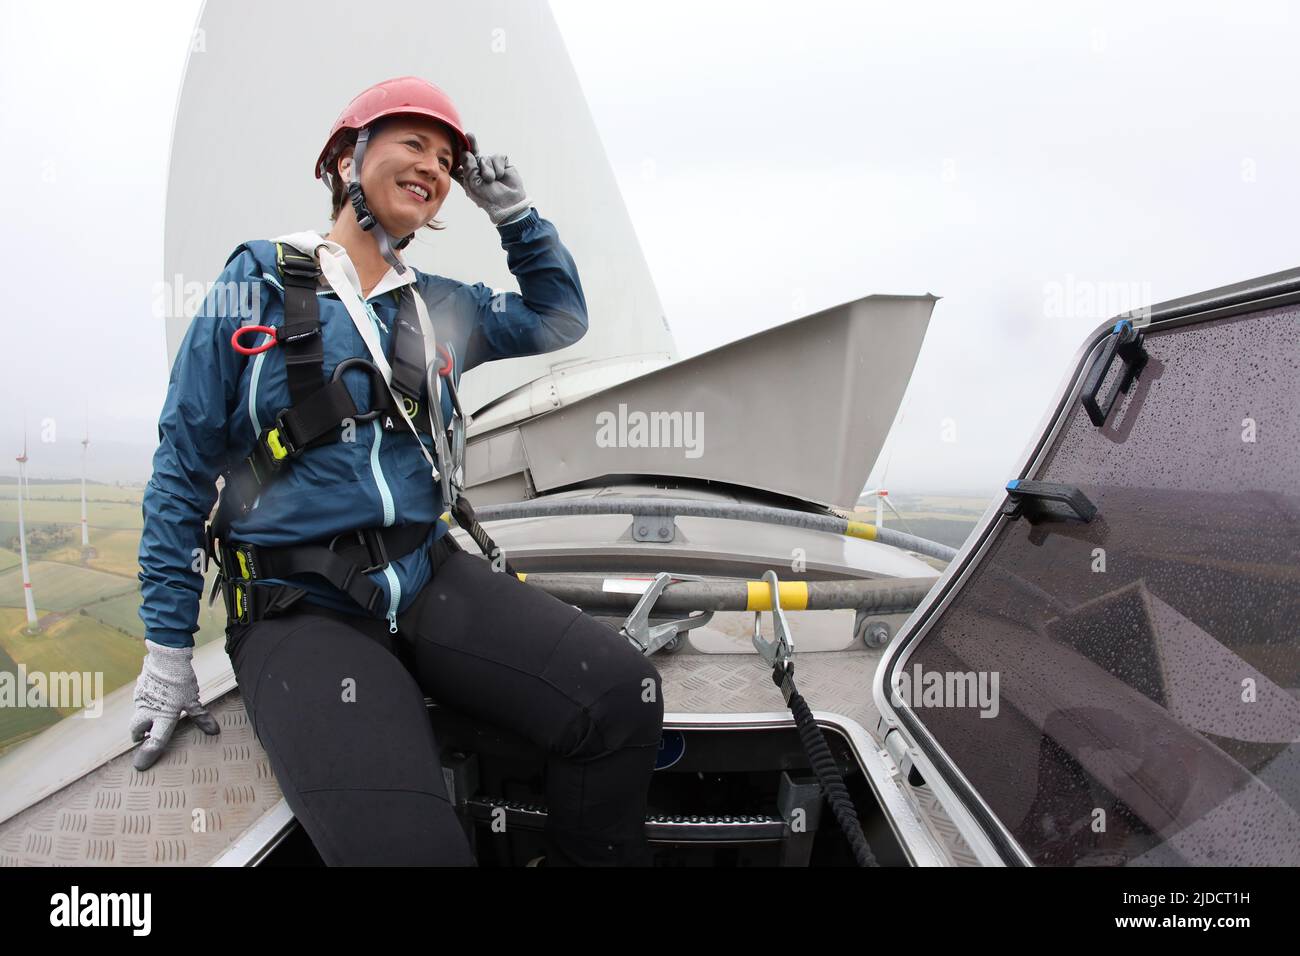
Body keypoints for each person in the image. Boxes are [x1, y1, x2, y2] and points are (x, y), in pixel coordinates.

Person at [129, 76, 664, 866]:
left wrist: (516, 218)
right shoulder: (257, 283)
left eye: (446, 158)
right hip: (298, 606)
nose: (434, 166)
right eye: (413, 143)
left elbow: (560, 316)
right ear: (348, 159)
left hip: (424, 574)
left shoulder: (443, 306)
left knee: (619, 697)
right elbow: (182, 466)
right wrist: (169, 649)